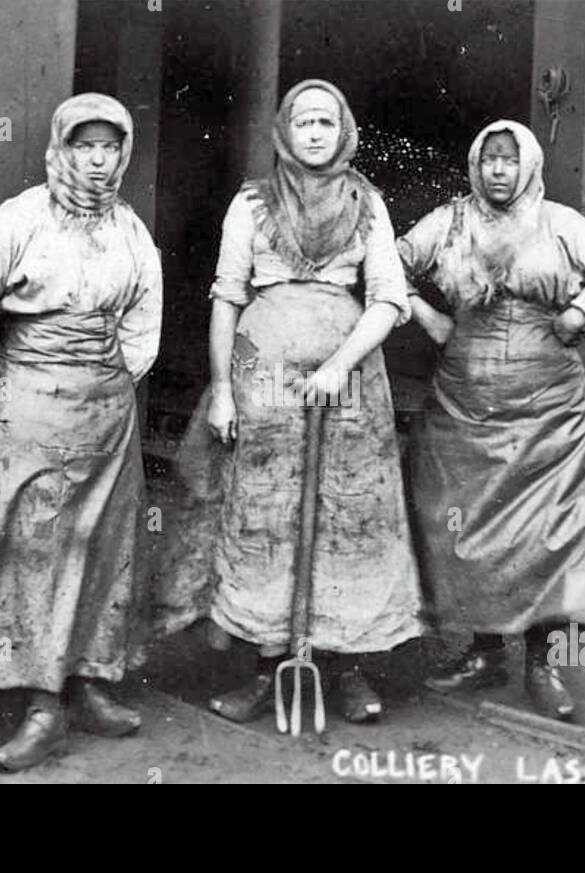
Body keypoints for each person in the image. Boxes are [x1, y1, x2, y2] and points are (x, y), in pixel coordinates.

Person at [156, 79, 423, 724]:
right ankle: (259, 668)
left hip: (350, 382)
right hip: (263, 378)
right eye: (302, 122)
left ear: (344, 131)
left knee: (347, 519)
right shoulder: (251, 204)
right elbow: (226, 294)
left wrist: (337, 366)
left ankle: (345, 667)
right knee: (262, 516)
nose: (313, 133)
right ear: (284, 130)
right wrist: (222, 392)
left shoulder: (368, 202)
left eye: (325, 122)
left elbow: (390, 298)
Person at [0, 94, 162, 772]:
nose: (97, 159)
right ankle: (40, 704)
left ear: (123, 153)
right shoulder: (21, 218)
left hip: (106, 408)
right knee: (34, 545)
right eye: (84, 145)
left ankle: (86, 679)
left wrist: (107, 374)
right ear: (61, 148)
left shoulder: (132, 231)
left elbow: (144, 322)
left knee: (102, 544)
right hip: (25, 403)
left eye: (109, 147)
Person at [398, 120, 585, 720]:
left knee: (548, 534)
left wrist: (578, 314)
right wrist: (427, 315)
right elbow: (385, 263)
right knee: (466, 528)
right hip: (464, 399)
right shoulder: (450, 221)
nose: (499, 171)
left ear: (528, 164)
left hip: (548, 408)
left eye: (509, 160)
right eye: (489, 160)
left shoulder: (560, 223)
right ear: (475, 166)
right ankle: (484, 654)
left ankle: (543, 662)